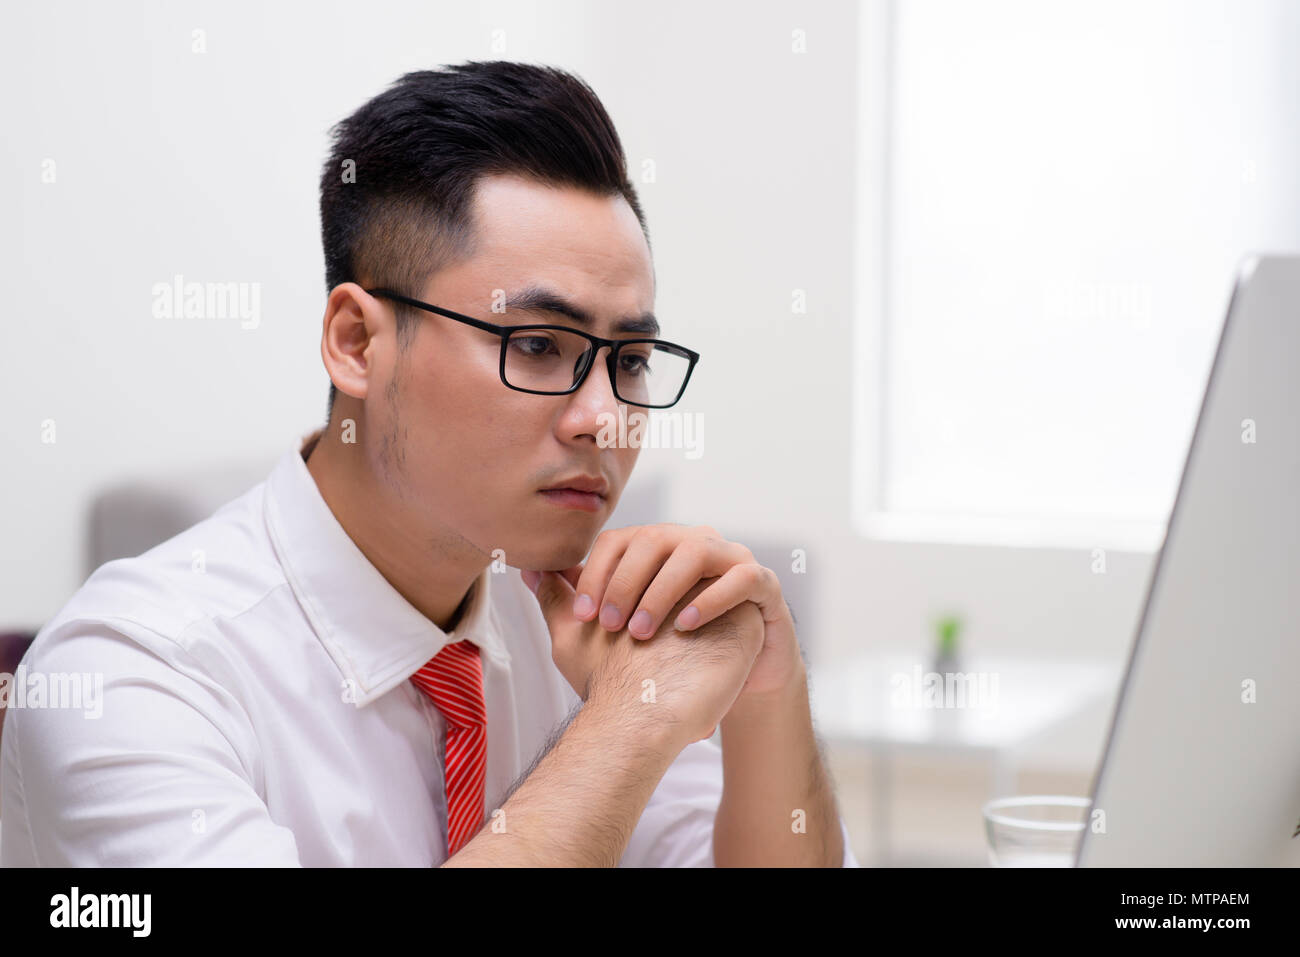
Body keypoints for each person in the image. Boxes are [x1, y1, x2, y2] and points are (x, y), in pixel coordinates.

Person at [0, 61, 857, 867]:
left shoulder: (574, 621)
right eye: (538, 345)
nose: (605, 419)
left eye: (629, 361)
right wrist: (627, 723)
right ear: (357, 342)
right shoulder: (131, 668)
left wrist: (766, 693)